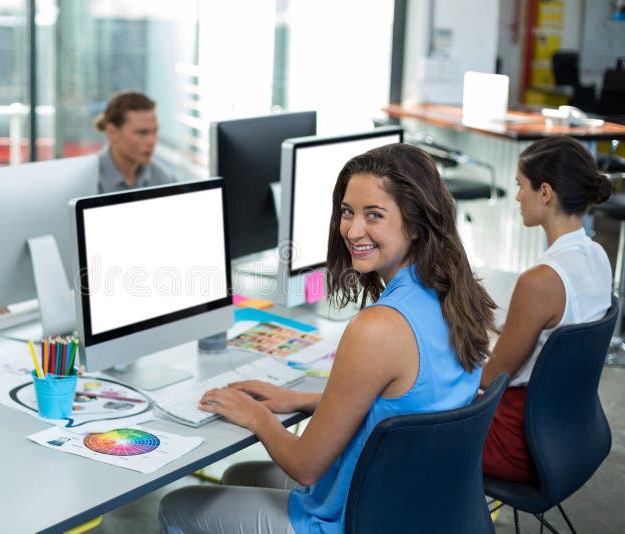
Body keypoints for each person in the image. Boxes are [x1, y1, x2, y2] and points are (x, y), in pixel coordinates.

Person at [158, 143, 497, 533]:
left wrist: (255, 415)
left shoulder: (378, 328)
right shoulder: (453, 296)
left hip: (356, 519)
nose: (353, 230)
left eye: (374, 215)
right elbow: (409, 404)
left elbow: (304, 466)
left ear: (416, 224)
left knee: (176, 505)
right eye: (347, 212)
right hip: (415, 508)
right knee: (241, 471)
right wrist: (305, 399)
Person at [481, 136, 612, 483]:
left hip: (517, 442)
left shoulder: (539, 282)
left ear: (545, 193)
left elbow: (490, 378)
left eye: (521, 186)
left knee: (400, 419)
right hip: (569, 433)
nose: (518, 197)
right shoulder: (598, 257)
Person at [94, 90, 174, 193]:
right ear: (112, 132)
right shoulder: (89, 180)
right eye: (142, 133)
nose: (152, 141)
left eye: (155, 131)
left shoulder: (160, 178)